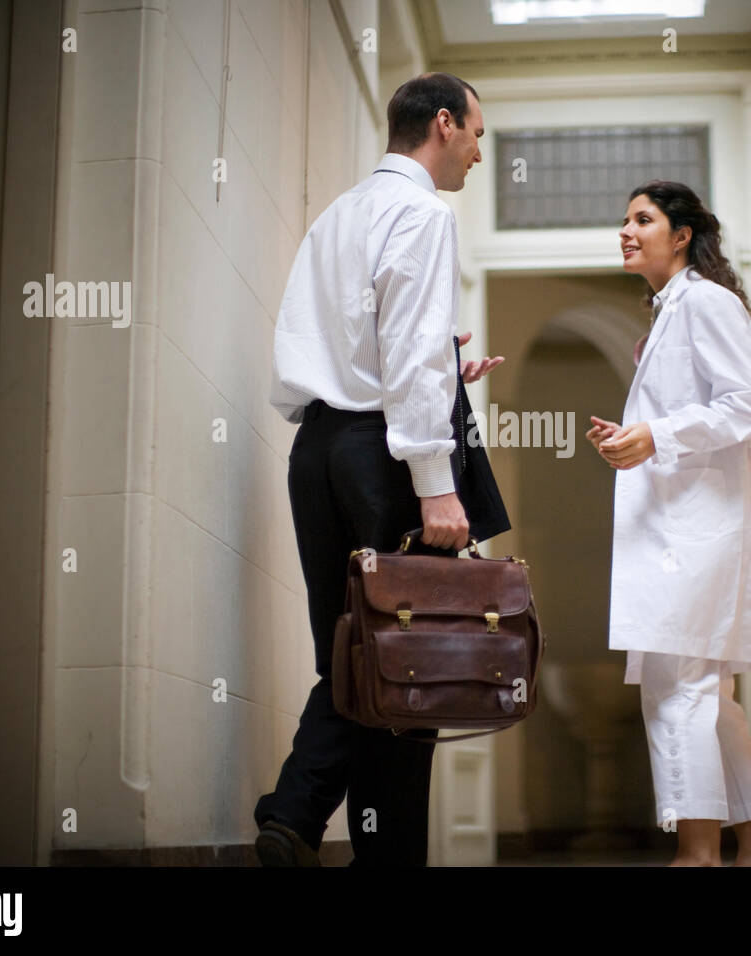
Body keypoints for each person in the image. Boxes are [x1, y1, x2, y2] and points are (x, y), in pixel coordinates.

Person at [256, 72, 508, 867]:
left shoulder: (335, 217)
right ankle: (307, 815)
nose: (477, 148)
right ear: (443, 123)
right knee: (409, 658)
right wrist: (436, 482)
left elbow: (353, 342)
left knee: (357, 646)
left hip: (318, 451)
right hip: (384, 456)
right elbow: (401, 348)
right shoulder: (424, 212)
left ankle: (299, 820)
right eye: (475, 130)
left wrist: (440, 364)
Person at [587, 180, 751, 867]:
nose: (626, 229)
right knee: (701, 692)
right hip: (680, 529)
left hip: (701, 532)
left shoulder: (705, 300)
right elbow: (687, 419)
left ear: (681, 236)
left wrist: (657, 436)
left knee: (681, 690)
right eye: (624, 220)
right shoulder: (668, 317)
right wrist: (637, 438)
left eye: (642, 219)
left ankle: (697, 854)